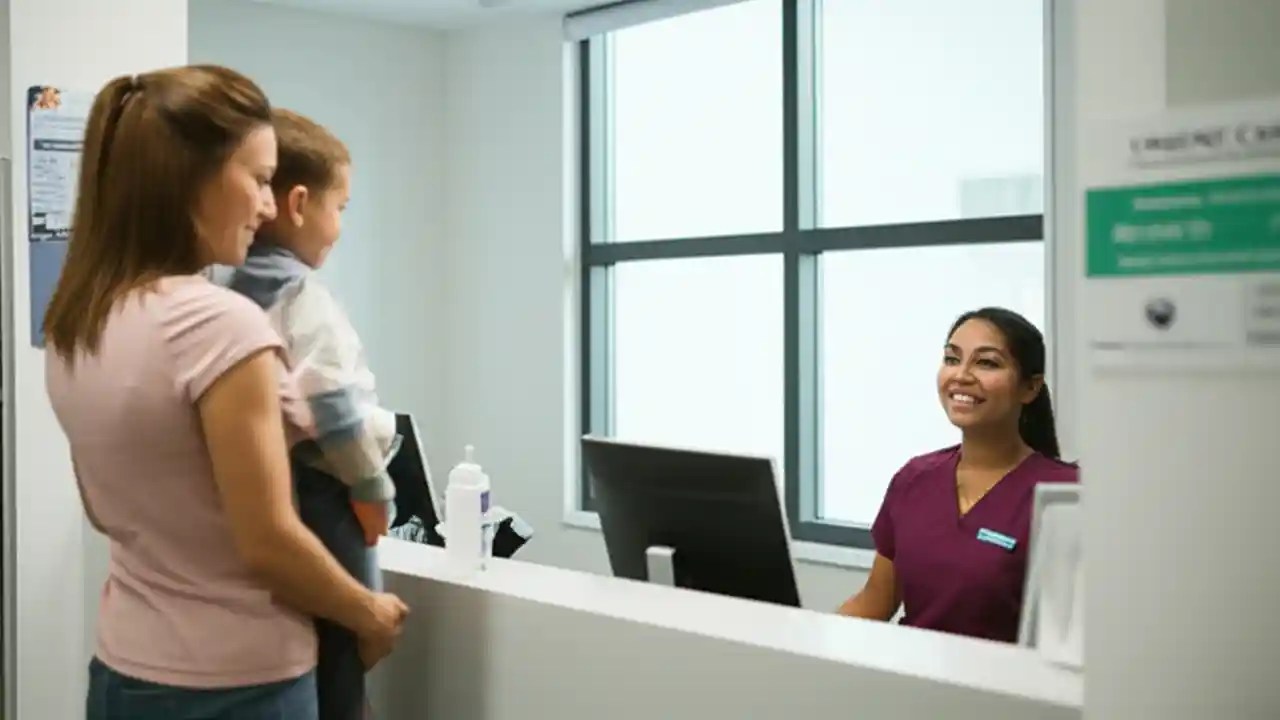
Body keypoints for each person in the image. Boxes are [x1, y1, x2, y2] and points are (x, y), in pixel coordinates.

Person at [42, 66, 408, 720]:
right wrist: (368, 611)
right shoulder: (217, 322)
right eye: (260, 180)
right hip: (239, 685)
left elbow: (108, 512)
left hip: (125, 671)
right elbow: (266, 540)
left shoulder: (79, 321)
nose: (269, 207)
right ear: (189, 180)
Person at [224, 108, 397, 720]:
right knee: (352, 634)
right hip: (329, 487)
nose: (340, 226)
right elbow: (332, 401)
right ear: (298, 203)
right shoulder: (303, 296)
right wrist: (373, 487)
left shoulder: (231, 287)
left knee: (312, 630)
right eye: (341, 207)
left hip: (275, 481)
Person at [837, 307, 1078, 643]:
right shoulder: (913, 479)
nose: (961, 375)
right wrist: (803, 639)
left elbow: (1076, 637)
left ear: (1030, 388)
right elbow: (875, 602)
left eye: (987, 363)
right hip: (909, 680)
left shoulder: (1066, 494)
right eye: (952, 359)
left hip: (1004, 689)